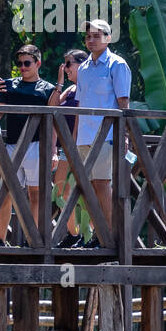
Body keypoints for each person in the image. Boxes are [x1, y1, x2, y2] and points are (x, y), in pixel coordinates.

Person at [72, 19, 131, 248]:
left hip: (106, 135)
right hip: (84, 136)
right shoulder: (84, 68)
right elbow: (79, 105)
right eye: (88, 36)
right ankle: (98, 234)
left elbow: (123, 102)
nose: (91, 40)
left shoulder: (117, 65)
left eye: (97, 36)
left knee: (102, 185)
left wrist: (124, 135)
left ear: (108, 38)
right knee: (87, 188)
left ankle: (110, 237)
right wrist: (73, 138)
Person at [0, 44, 57, 245]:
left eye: (27, 63)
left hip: (36, 145)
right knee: (6, 193)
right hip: (12, 144)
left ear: (37, 63)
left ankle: (33, 239)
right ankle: (1, 240)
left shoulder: (48, 89)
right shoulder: (8, 85)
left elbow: (54, 122)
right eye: (19, 63)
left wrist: (53, 149)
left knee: (35, 194)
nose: (22, 67)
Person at [50, 49, 88, 247]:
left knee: (89, 191)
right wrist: (59, 83)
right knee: (60, 189)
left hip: (87, 145)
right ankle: (74, 235)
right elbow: (52, 108)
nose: (65, 68)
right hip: (67, 146)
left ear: (82, 65)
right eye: (64, 64)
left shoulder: (88, 86)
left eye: (69, 64)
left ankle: (91, 235)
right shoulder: (71, 90)